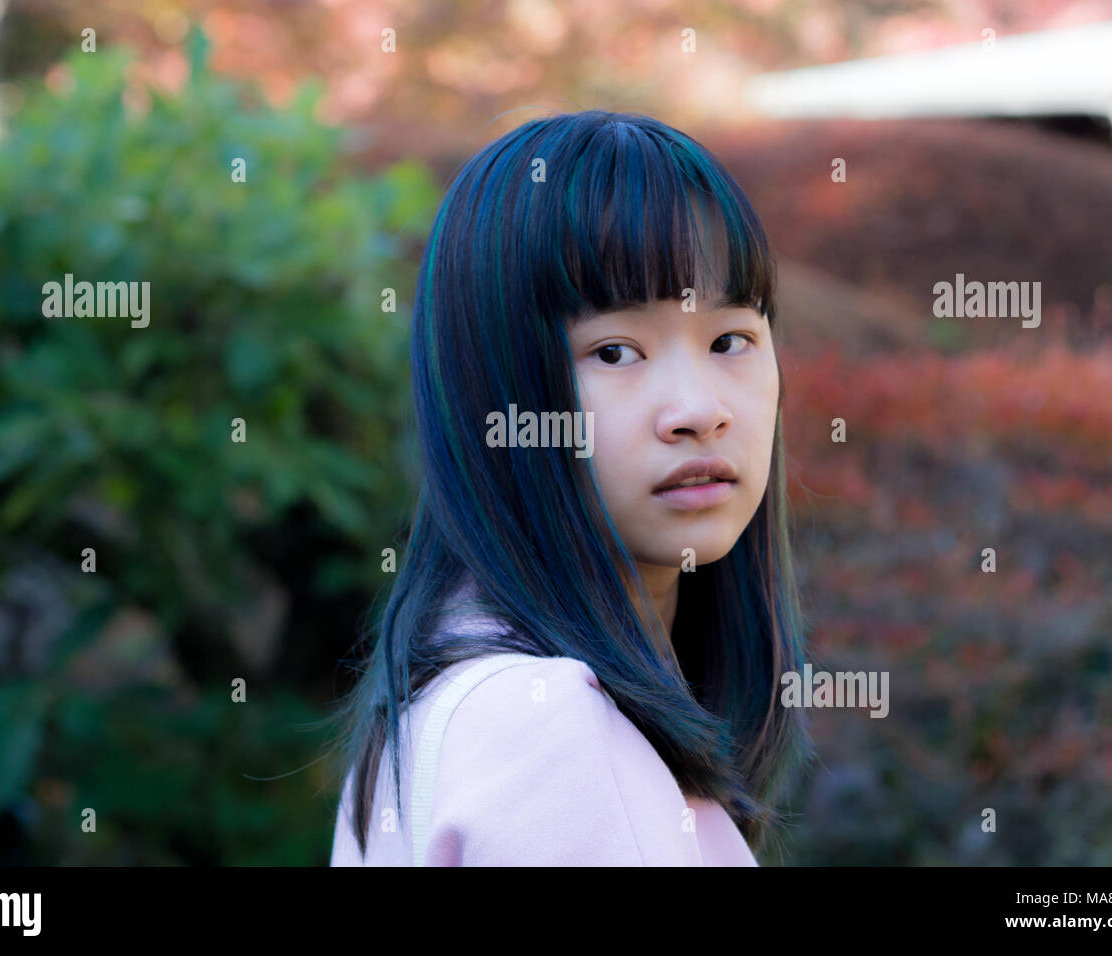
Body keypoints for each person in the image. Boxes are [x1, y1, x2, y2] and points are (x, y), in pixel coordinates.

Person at [327, 109, 814, 866]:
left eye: (730, 341)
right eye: (616, 351)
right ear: (495, 394)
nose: (698, 411)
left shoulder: (447, 702)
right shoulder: (544, 729)